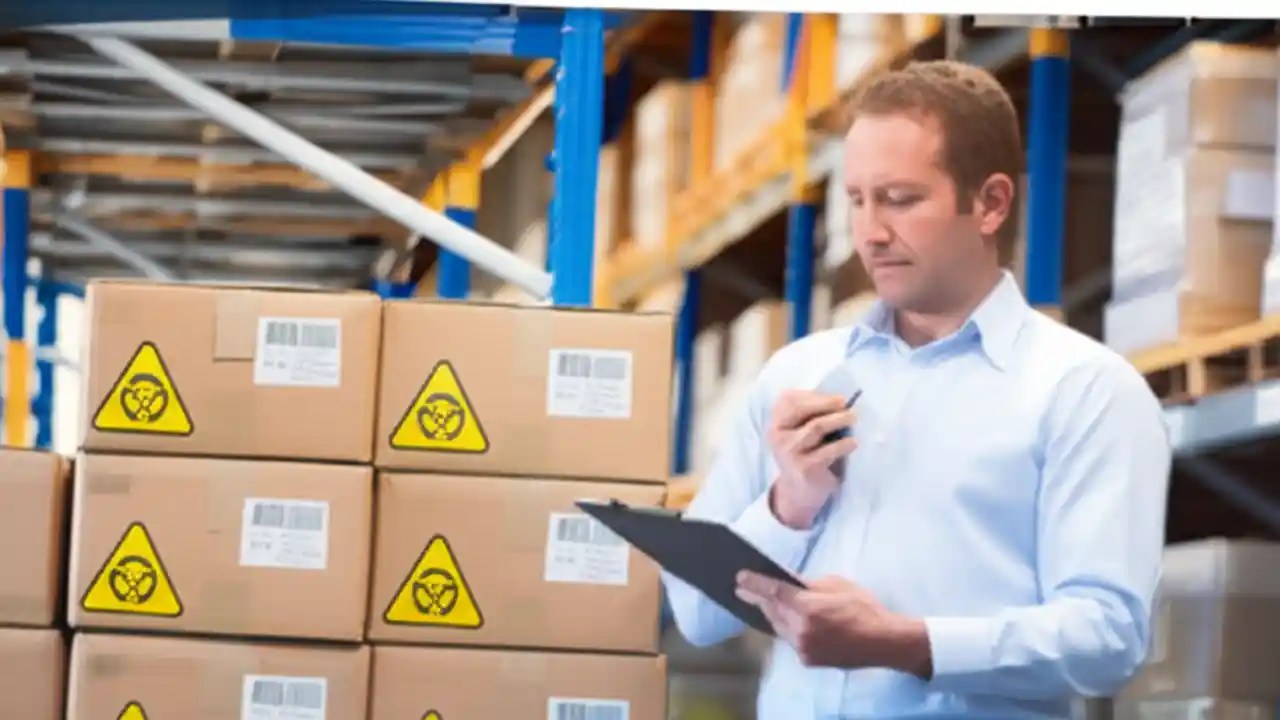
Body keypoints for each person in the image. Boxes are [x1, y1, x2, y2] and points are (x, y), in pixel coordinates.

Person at [663, 59, 1172, 719]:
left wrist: (907, 642)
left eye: (900, 199)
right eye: (857, 200)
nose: (871, 234)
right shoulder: (796, 376)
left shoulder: (1084, 391)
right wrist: (788, 506)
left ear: (990, 203)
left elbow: (1108, 637)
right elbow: (696, 613)